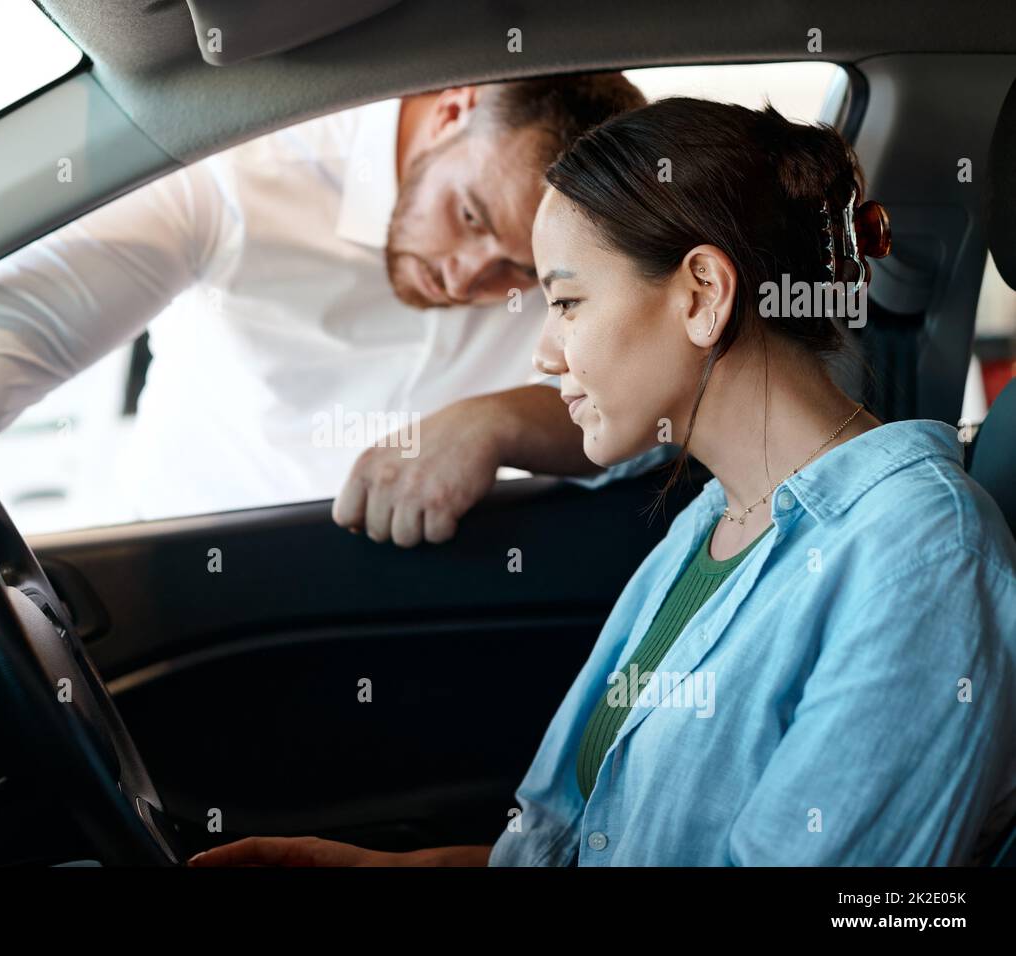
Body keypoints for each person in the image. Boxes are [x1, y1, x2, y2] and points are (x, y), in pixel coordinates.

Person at [189, 98, 1016, 867]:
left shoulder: (921, 553)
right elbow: (565, 848)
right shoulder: (712, 521)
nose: (545, 354)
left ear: (702, 295)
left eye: (568, 302)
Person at [0, 74, 659, 670]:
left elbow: (650, 411)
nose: (471, 280)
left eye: (520, 276)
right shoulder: (244, 154)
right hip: (181, 605)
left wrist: (489, 419)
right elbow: (7, 329)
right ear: (454, 104)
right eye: (467, 219)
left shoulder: (575, 253)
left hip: (410, 622)